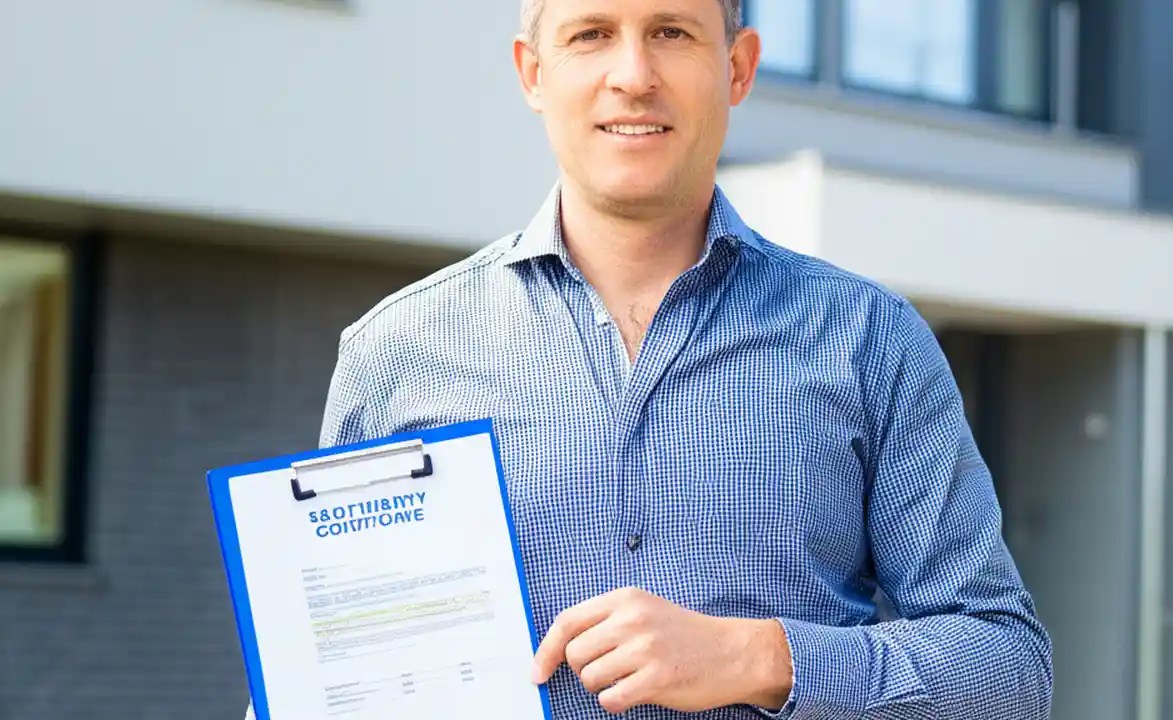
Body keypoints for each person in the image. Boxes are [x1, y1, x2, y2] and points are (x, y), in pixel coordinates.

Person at [244, 0, 1052, 717]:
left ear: (737, 68)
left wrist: (760, 659)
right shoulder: (397, 353)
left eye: (671, 33)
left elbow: (1010, 671)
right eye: (591, 34)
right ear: (533, 73)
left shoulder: (869, 339)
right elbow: (327, 667)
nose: (633, 76)